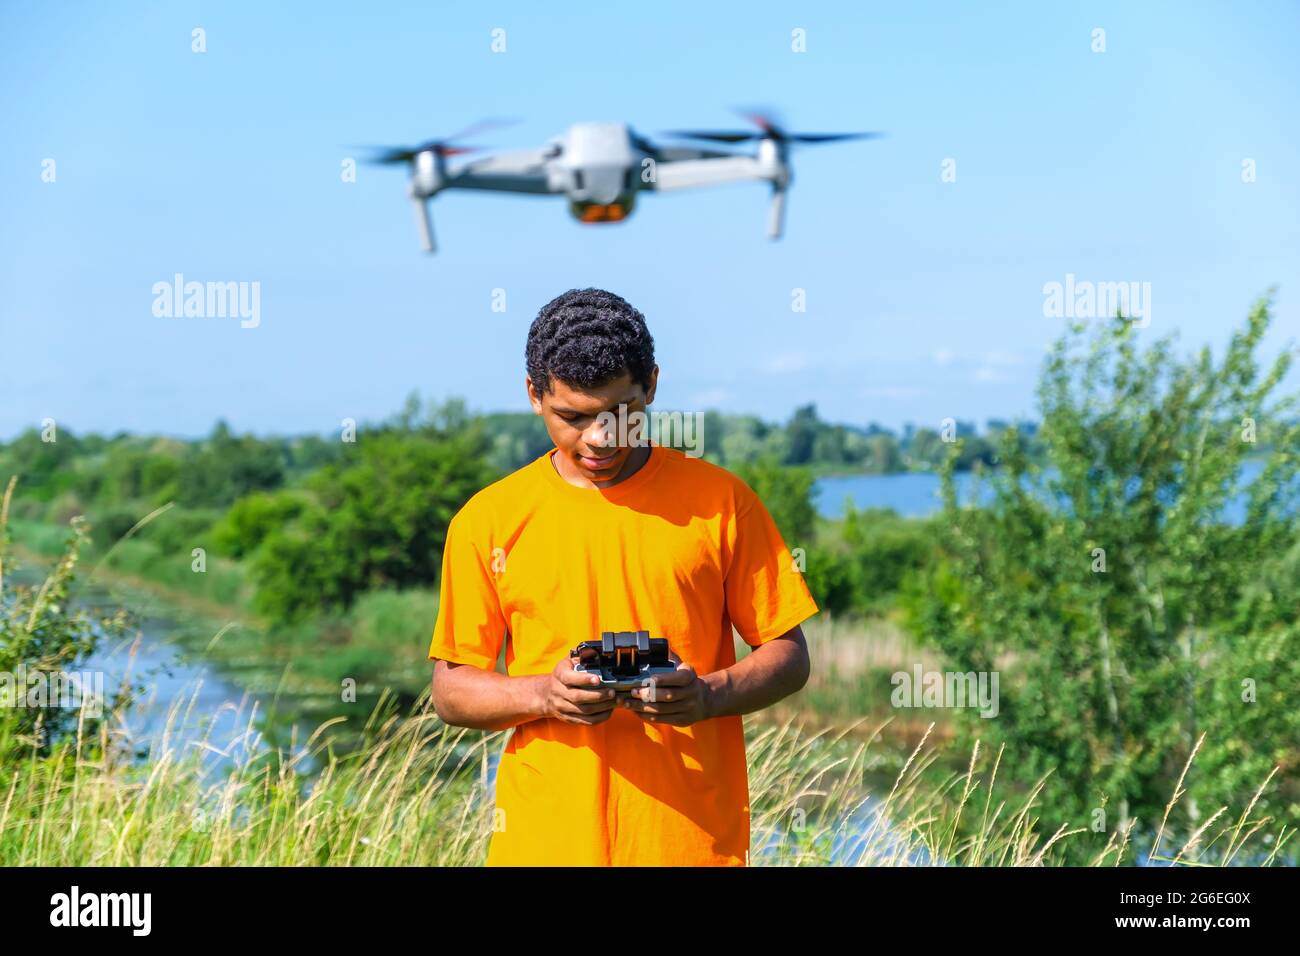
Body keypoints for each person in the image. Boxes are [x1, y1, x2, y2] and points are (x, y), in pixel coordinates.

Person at [428, 287, 819, 865]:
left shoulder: (721, 502)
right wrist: (544, 693)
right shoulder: (486, 521)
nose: (599, 439)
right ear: (535, 395)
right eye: (573, 417)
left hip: (692, 843)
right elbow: (451, 690)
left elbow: (790, 656)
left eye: (621, 413)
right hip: (543, 843)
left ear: (652, 387)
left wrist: (707, 695)